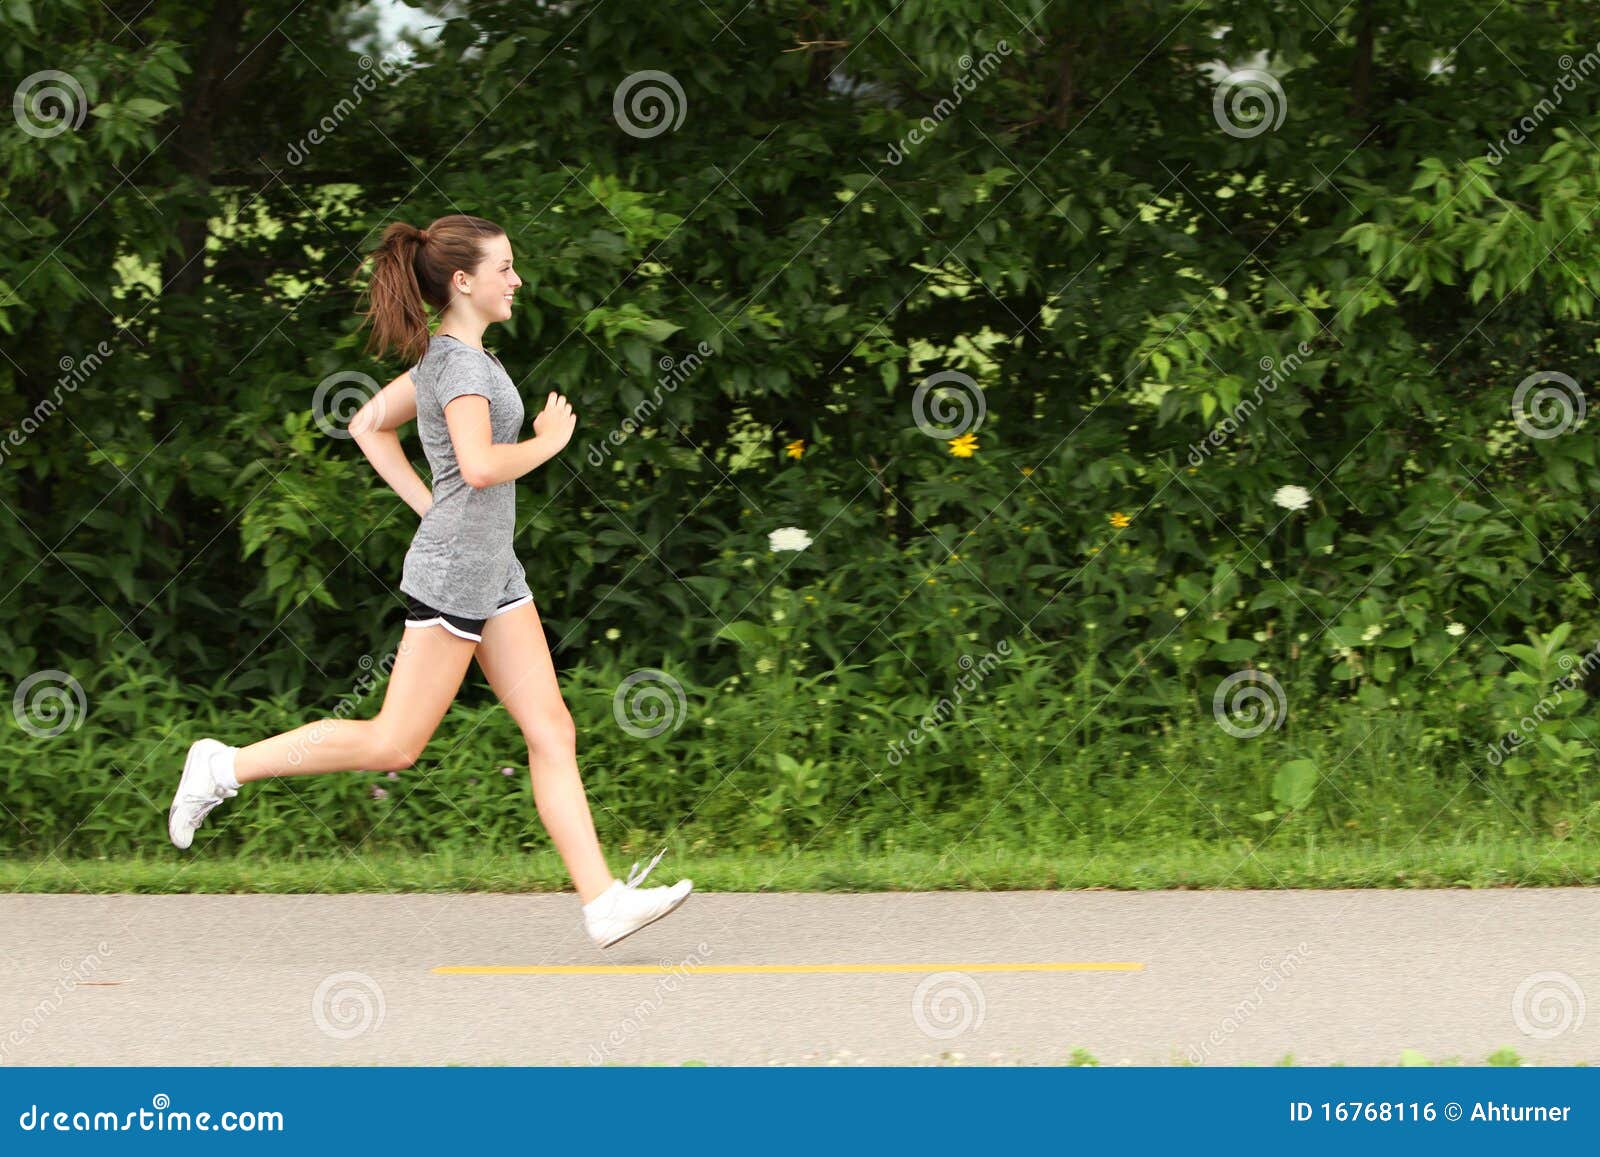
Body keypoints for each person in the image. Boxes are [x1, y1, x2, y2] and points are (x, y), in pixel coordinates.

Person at [167, 213, 692, 949]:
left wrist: (431, 505)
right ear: (463, 280)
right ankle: (222, 764)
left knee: (551, 729)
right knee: (394, 742)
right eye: (505, 267)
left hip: (493, 570)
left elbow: (368, 425)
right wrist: (546, 444)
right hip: (456, 576)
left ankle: (602, 899)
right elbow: (477, 466)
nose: (517, 280)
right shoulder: (462, 366)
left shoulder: (452, 358)